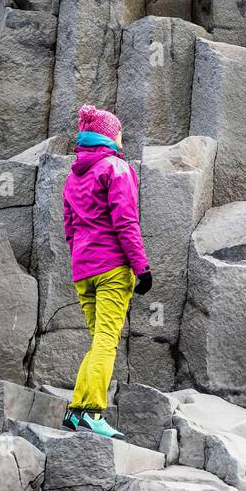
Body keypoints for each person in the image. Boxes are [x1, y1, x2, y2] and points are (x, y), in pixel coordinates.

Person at [61, 104, 152, 439]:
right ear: (109, 136)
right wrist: (141, 267)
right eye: (119, 131)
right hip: (113, 267)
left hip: (83, 270)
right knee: (106, 342)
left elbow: (70, 229)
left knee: (98, 339)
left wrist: (83, 260)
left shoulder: (74, 176)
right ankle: (93, 412)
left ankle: (75, 412)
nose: (122, 137)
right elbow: (125, 222)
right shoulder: (117, 168)